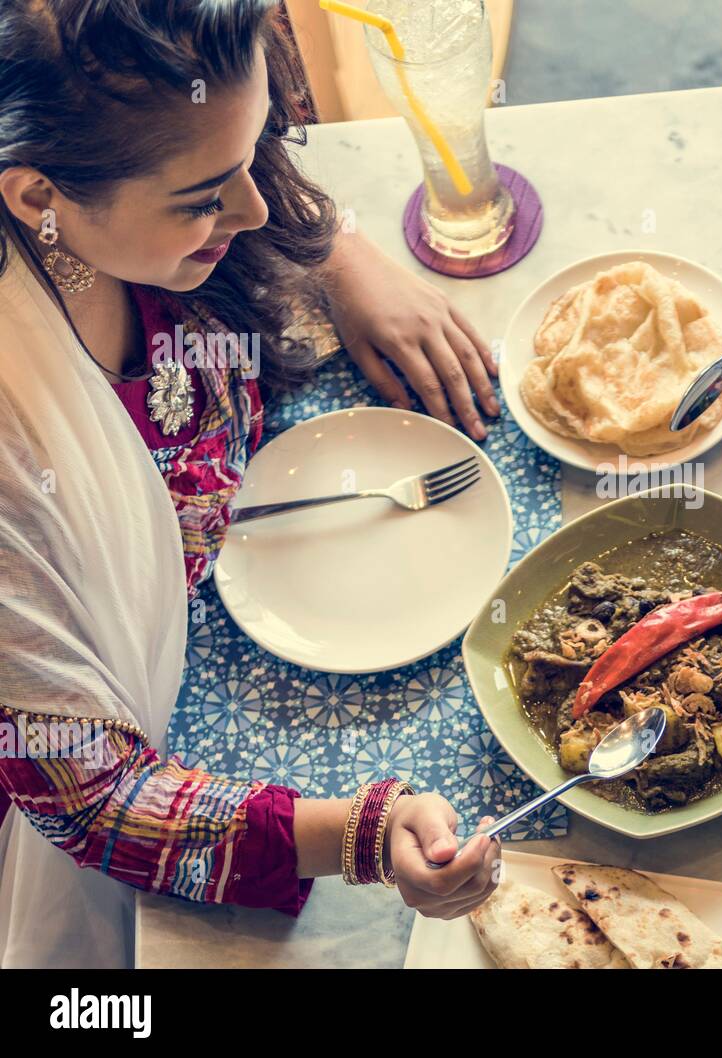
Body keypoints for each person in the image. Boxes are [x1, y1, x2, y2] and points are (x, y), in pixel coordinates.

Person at [0, 0, 498, 968]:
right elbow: (97, 798)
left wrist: (336, 256)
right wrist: (362, 829)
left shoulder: (157, 156)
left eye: (253, 152)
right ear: (36, 200)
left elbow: (248, 170)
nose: (256, 212)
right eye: (203, 200)